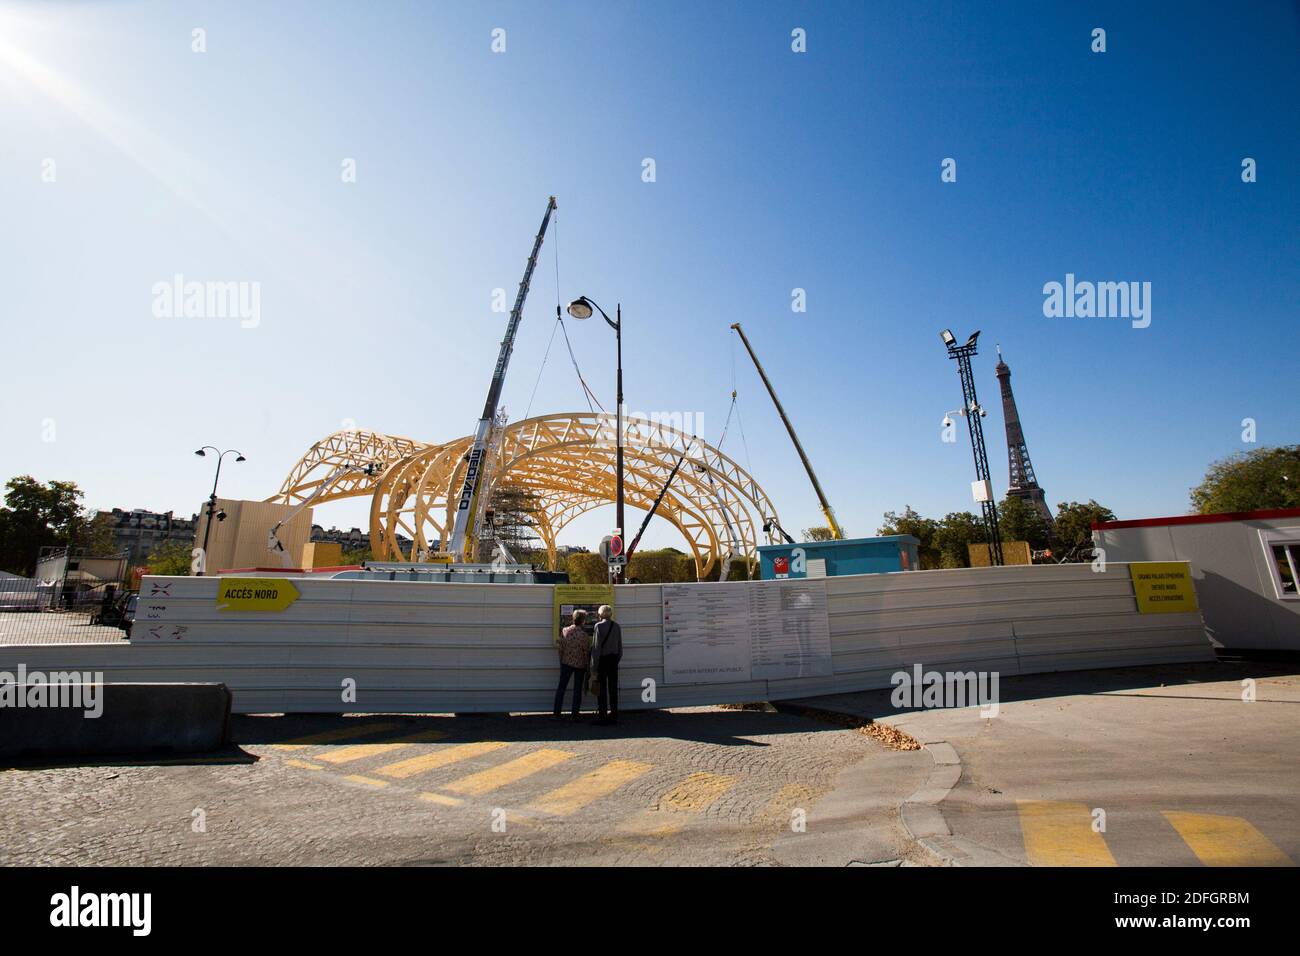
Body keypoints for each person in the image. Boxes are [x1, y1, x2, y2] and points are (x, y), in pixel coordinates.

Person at [554, 609, 591, 718]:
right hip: (580, 665)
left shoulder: (565, 631)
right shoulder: (584, 636)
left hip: (566, 663)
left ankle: (556, 713)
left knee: (561, 688)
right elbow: (586, 652)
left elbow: (561, 649)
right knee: (577, 690)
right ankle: (574, 715)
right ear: (583, 621)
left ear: (573, 618)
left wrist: (561, 661)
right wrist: (587, 666)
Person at [592, 604, 622, 725]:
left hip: (603, 661)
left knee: (602, 689)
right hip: (613, 660)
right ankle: (614, 714)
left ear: (600, 614)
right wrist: (616, 659)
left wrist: (594, 666)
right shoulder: (617, 626)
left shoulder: (598, 626)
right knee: (613, 688)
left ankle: (602, 716)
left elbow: (596, 648)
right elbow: (620, 647)